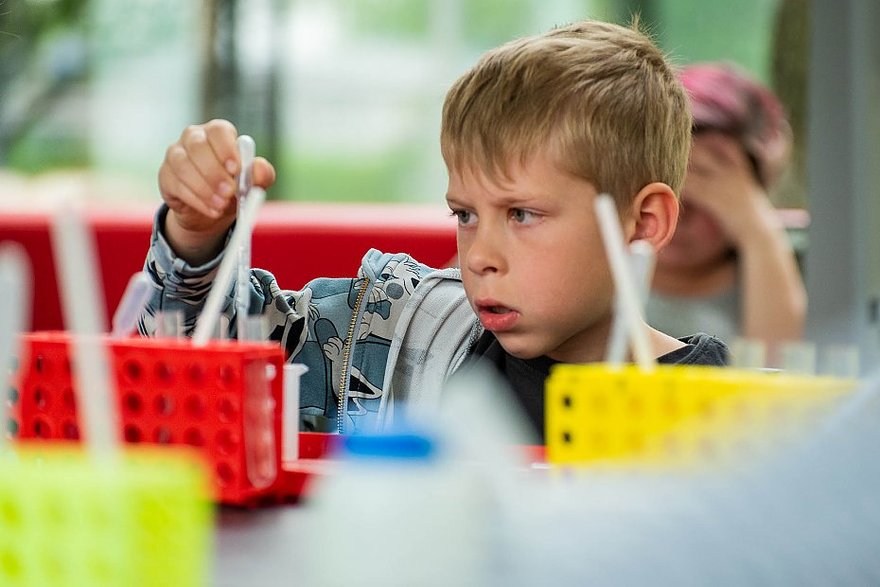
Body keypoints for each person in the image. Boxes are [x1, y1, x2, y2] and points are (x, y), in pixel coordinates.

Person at [140, 19, 728, 442]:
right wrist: (196, 235)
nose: (480, 256)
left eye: (522, 214)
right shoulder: (390, 328)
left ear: (644, 224)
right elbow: (199, 376)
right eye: (465, 215)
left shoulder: (733, 415)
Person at [646, 62, 807, 352]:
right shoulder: (602, 271)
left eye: (707, 177)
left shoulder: (787, 278)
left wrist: (758, 234)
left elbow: (779, 374)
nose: (678, 213)